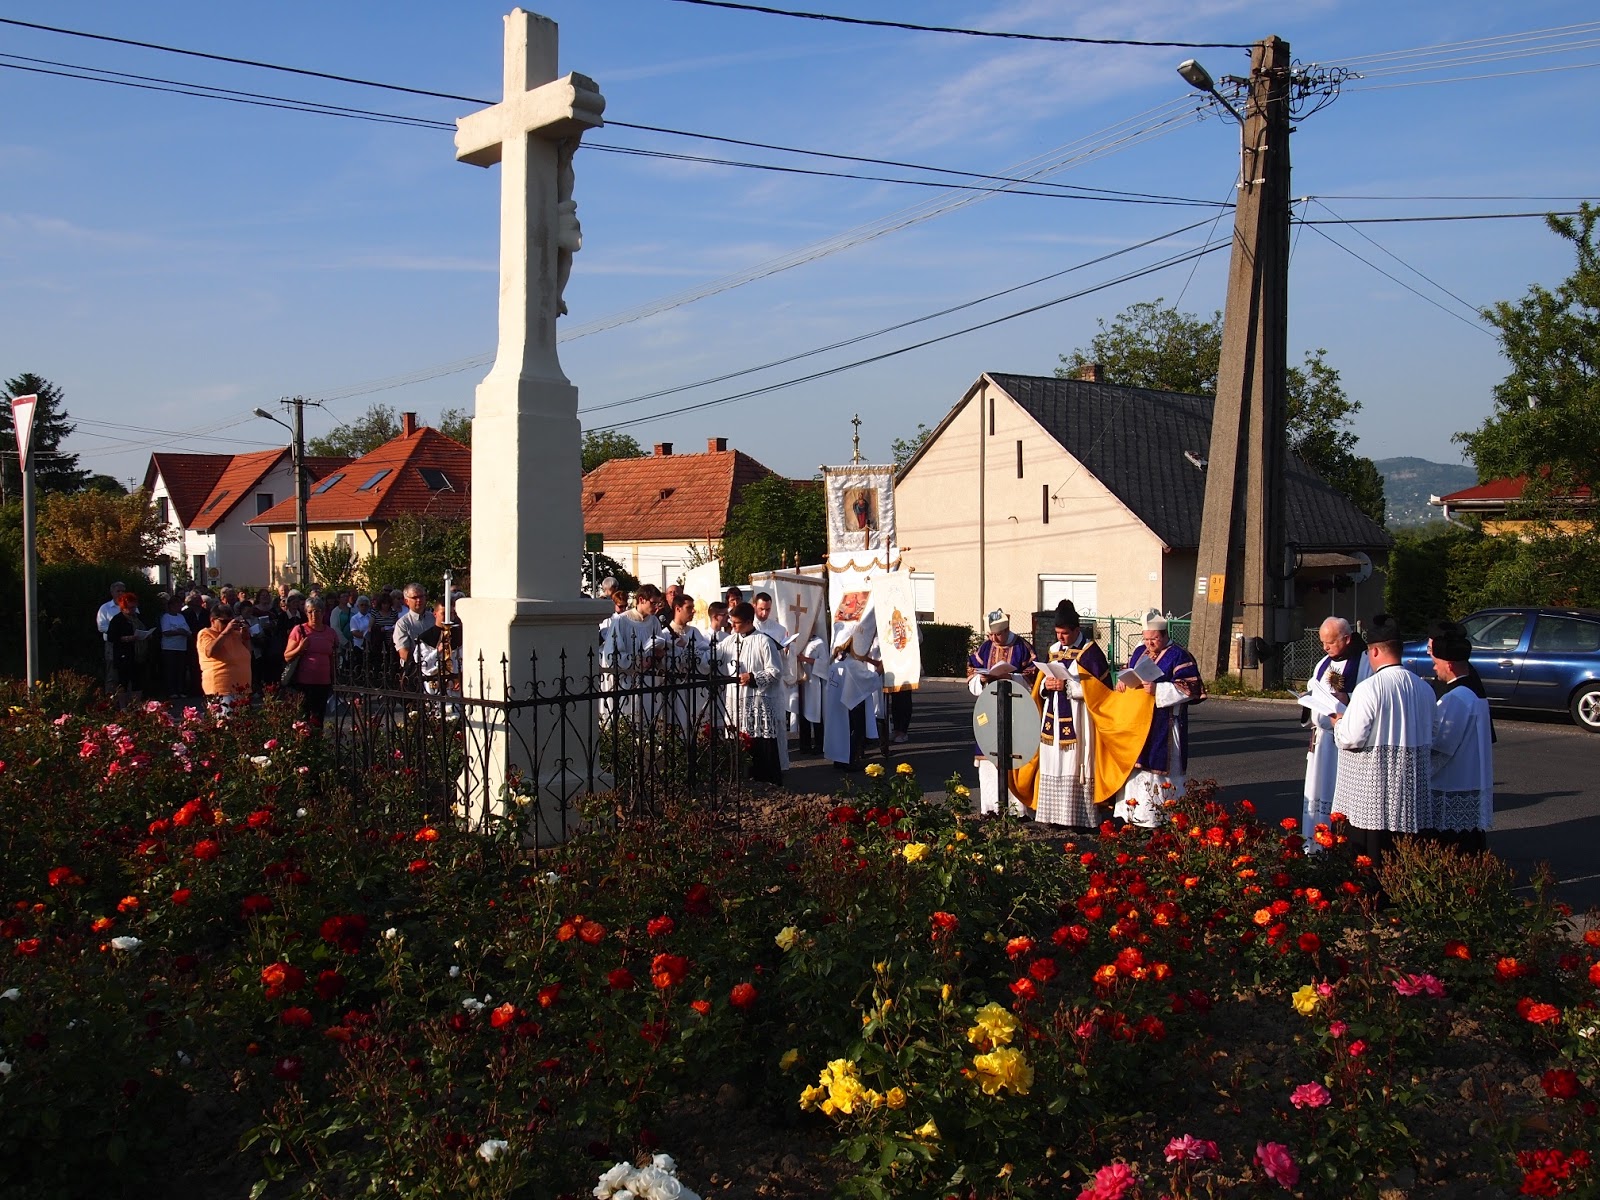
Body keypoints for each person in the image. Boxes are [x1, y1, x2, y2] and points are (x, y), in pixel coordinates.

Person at [1331, 613, 1436, 861]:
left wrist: (1339, 723)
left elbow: (1352, 738)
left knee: (1370, 865)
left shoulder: (1369, 688)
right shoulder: (1424, 688)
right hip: (1408, 798)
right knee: (1402, 863)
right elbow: (1432, 734)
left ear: (1375, 652)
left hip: (1372, 796)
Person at [1113, 610, 1204, 828]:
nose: (1149, 643)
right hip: (1137, 721)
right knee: (1136, 767)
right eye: (1145, 639)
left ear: (1163, 635)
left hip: (1165, 721)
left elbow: (1191, 688)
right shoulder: (1140, 652)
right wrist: (1122, 681)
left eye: (1153, 639)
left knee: (1159, 770)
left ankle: (1161, 817)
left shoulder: (1180, 655)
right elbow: (1129, 671)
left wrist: (1158, 689)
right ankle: (1132, 815)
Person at [1032, 601, 1113, 831]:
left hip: (1079, 719)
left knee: (1074, 764)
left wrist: (1068, 686)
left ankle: (1079, 819)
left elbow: (1101, 690)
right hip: (1053, 717)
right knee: (1052, 762)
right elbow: (1040, 687)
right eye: (1058, 633)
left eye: (1065, 633)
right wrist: (1046, 686)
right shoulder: (1053, 650)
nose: (1061, 638)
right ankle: (1053, 816)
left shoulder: (1091, 653)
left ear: (1077, 630)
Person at [1300, 617, 1371, 851]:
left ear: (1347, 638)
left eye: (1330, 642)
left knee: (1336, 794)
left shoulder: (1364, 663)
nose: (1325, 648)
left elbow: (1369, 700)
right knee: (1316, 790)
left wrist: (1346, 699)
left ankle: (1336, 847)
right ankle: (1313, 845)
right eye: (1322, 643)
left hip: (1342, 744)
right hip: (1322, 743)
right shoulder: (1323, 663)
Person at [1424, 620, 1494, 853]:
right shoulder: (1476, 694)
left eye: (1436, 663)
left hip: (1451, 787)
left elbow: (1440, 749)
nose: (1434, 668)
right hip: (1470, 780)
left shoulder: (1455, 699)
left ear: (1450, 665)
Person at [965, 609, 1038, 815]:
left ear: (1007, 630)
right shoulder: (986, 647)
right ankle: (990, 808)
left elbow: (1033, 678)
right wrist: (981, 680)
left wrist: (1011, 678)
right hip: (989, 709)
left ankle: (1016, 810)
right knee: (988, 759)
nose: (994, 639)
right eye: (991, 635)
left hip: (1016, 710)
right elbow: (972, 673)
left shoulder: (1023, 648)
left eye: (998, 635)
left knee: (1014, 756)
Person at [721, 601, 786, 784]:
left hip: (758, 703)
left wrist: (752, 677)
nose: (732, 626)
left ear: (749, 621)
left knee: (761, 744)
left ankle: (767, 784)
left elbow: (775, 671)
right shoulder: (729, 641)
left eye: (736, 623)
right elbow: (712, 657)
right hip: (736, 701)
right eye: (731, 622)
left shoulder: (764, 641)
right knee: (739, 744)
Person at [284, 597, 340, 727]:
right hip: (304, 682)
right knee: (303, 719)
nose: (314, 615)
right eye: (310, 612)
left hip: (323, 682)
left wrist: (335, 676)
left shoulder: (330, 633)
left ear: (323, 612)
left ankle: (317, 744)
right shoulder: (299, 630)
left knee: (318, 718)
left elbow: (333, 656)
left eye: (317, 611)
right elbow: (287, 656)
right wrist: (300, 648)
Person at [197, 605, 252, 716]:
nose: (228, 625)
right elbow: (210, 652)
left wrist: (246, 636)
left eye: (230, 621)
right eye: (224, 622)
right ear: (212, 620)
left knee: (242, 727)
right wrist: (225, 632)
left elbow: (247, 653)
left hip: (242, 688)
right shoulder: (206, 633)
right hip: (221, 689)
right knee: (226, 725)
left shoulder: (235, 634)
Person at [106, 590, 151, 705]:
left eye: (134, 607)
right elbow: (111, 637)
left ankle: (136, 705)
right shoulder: (118, 619)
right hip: (124, 654)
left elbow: (146, 627)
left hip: (139, 654)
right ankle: (123, 706)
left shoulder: (139, 618)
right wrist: (128, 638)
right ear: (123, 607)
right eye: (129, 608)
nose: (132, 610)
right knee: (123, 681)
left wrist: (147, 634)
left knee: (138, 681)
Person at [393, 583, 435, 680]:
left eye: (421, 596)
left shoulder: (433, 618)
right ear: (406, 601)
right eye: (415, 597)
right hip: (414, 671)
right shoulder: (403, 623)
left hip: (436, 667)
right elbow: (404, 653)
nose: (419, 600)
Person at [158, 593, 193, 699]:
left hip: (181, 647)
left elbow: (188, 630)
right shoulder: (166, 617)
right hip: (169, 647)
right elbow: (166, 632)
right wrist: (179, 632)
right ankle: (171, 691)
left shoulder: (181, 617)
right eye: (176, 605)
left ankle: (180, 690)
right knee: (171, 669)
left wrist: (185, 633)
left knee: (180, 669)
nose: (179, 607)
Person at [97, 581, 126, 692]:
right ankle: (109, 702)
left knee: (126, 674)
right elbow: (101, 626)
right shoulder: (105, 608)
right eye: (118, 591)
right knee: (112, 672)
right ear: (112, 592)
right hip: (112, 644)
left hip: (128, 643)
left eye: (123, 591)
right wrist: (117, 632)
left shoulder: (129, 606)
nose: (121, 593)